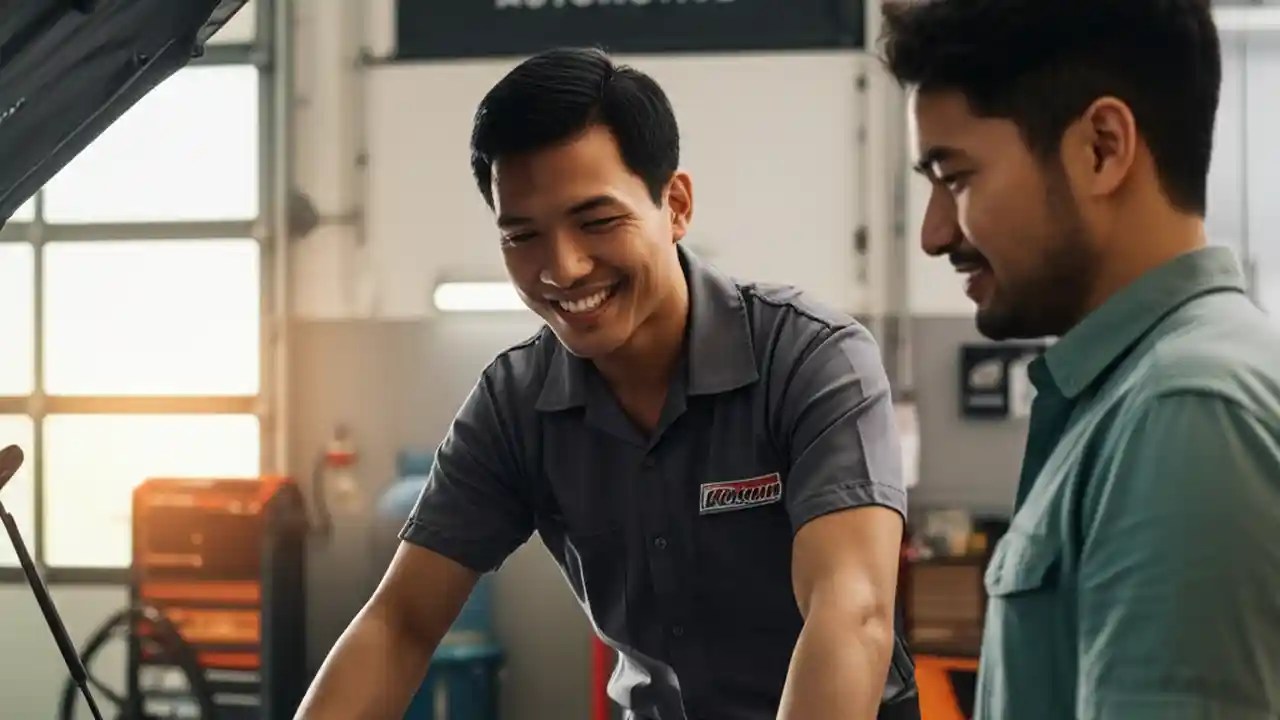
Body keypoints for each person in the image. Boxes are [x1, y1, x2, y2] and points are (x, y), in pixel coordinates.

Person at [295, 47, 919, 720]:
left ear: (675, 205)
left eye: (596, 222)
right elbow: (399, 625)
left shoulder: (811, 359)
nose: (562, 268)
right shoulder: (515, 405)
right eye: (523, 236)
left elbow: (851, 615)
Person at [881, 1, 1280, 718]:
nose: (934, 234)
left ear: (1101, 147)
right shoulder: (1134, 396)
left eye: (957, 178)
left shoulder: (1184, 413)